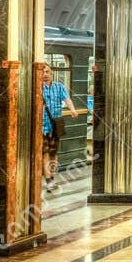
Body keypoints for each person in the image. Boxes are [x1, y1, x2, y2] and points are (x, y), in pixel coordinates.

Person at [40, 62, 80, 190]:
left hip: (55, 125)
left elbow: (67, 99)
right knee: (44, 152)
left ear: (51, 73)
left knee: (54, 152)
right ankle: (48, 181)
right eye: (42, 72)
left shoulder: (59, 86)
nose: (45, 74)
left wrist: (72, 109)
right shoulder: (37, 88)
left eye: (47, 72)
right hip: (41, 126)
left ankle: (52, 177)